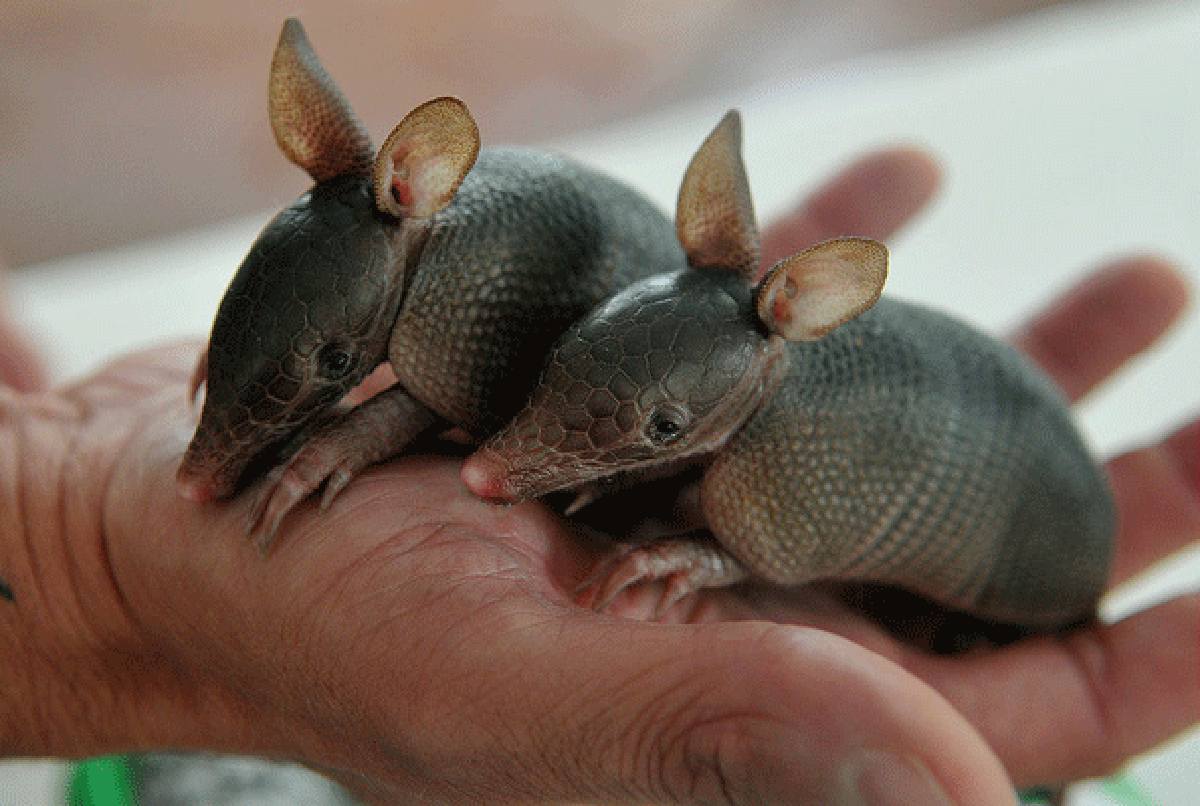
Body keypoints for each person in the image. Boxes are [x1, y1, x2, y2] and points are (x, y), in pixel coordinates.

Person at [0, 147, 1195, 806]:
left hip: (1011, 559)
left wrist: (713, 546)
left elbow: (734, 504)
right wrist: (84, 547)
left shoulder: (821, 456)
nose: (496, 469)